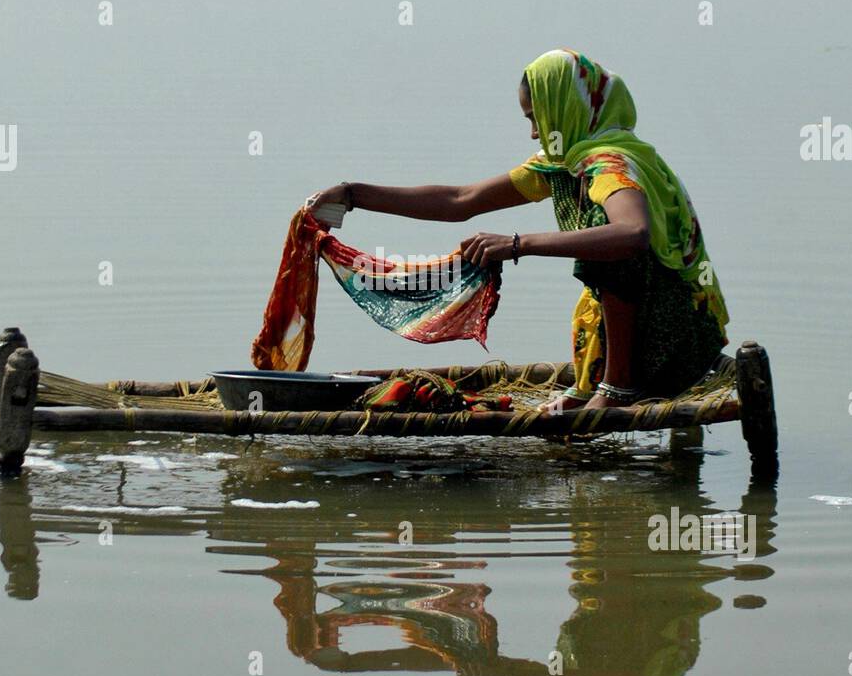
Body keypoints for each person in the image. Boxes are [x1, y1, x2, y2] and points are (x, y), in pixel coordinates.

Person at [308, 47, 728, 411]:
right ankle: (596, 384)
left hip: (678, 337)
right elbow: (461, 200)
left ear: (567, 110)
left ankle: (618, 388)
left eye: (538, 119)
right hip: (649, 334)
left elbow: (632, 233)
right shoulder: (562, 164)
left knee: (606, 242)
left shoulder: (610, 164)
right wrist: (353, 193)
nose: (533, 133)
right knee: (597, 250)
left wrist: (516, 244)